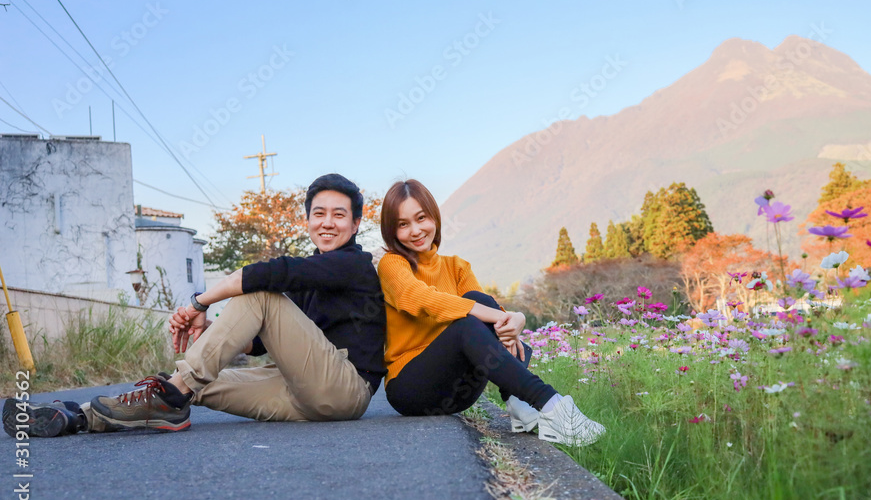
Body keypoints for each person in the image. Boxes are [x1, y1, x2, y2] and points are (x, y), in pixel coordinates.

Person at [3, 174, 386, 438]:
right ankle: (77, 416)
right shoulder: (317, 272)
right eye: (319, 214)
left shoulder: (353, 264)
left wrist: (199, 303)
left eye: (339, 215)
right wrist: (214, 333)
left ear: (354, 225)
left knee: (260, 293)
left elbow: (269, 277)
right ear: (306, 221)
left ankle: (170, 396)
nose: (328, 223)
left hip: (343, 390)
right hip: (301, 392)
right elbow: (264, 345)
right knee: (190, 384)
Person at [376, 179, 604, 447]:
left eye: (421, 218)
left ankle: (518, 403)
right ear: (392, 230)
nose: (415, 230)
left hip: (459, 391)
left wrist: (515, 318)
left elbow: (487, 309)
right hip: (411, 389)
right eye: (403, 224)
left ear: (433, 217)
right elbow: (418, 298)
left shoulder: (457, 266)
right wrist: (501, 317)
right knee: (467, 323)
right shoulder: (391, 264)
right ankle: (552, 406)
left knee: (478, 300)